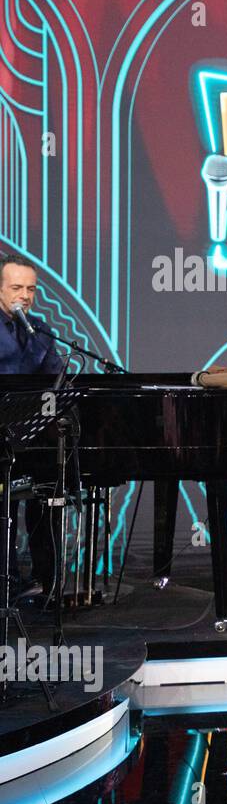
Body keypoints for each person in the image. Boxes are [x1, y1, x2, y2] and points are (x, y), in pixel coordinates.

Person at [0, 251, 65, 602]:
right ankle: (5, 582)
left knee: (47, 492)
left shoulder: (40, 331)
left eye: (31, 289)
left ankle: (45, 581)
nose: (24, 295)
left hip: (30, 436)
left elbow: (55, 381)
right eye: (16, 287)